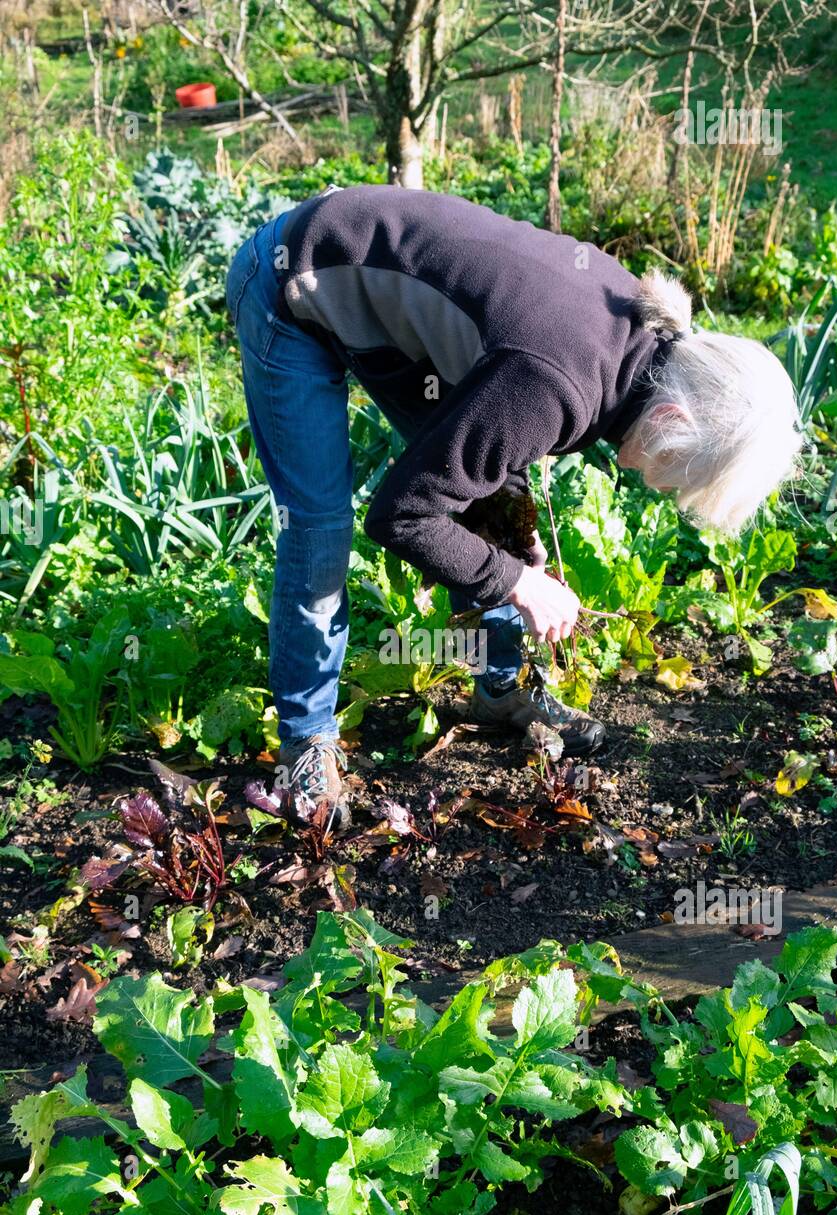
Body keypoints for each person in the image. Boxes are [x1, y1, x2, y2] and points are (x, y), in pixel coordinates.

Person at [226, 185, 801, 825]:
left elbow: (494, 447)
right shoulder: (555, 379)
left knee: (491, 494)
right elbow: (399, 515)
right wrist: (520, 581)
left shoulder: (633, 340)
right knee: (320, 525)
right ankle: (307, 741)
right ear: (668, 416)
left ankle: (497, 692)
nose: (660, 487)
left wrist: (514, 559)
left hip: (384, 298)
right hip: (294, 276)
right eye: (676, 474)